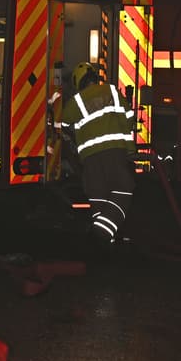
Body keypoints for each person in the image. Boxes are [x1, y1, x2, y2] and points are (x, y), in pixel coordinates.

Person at [58, 62, 137, 256]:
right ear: (94, 76)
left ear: (78, 82)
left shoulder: (76, 101)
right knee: (123, 190)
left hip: (90, 160)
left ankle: (102, 250)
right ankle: (100, 236)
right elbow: (129, 117)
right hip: (115, 153)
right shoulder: (111, 91)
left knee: (98, 200)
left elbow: (64, 123)